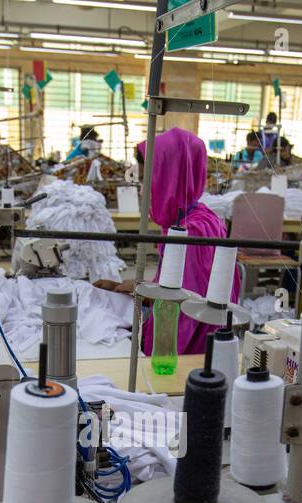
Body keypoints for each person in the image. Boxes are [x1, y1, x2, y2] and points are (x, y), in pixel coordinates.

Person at [96, 130, 239, 355]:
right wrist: (131, 288)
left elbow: (183, 312)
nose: (145, 191)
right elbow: (179, 287)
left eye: (150, 181)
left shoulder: (191, 232)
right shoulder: (196, 217)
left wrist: (143, 292)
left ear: (171, 177)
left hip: (189, 356)